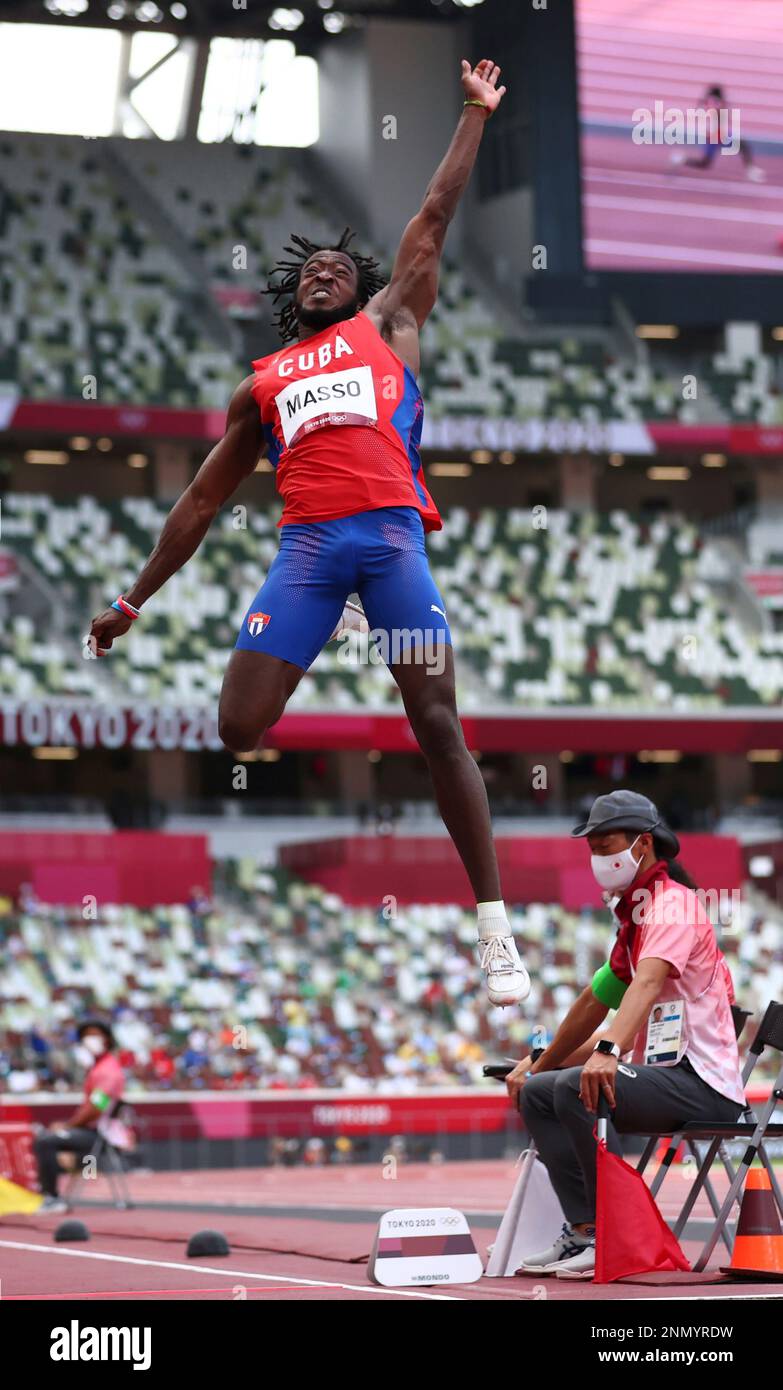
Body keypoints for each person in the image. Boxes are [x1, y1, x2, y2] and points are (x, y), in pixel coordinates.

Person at [88, 58, 528, 1009]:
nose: (328, 267)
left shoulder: (391, 320)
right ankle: (319, 632)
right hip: (311, 555)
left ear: (364, 284)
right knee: (237, 724)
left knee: (437, 720)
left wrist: (472, 114)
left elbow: (437, 211)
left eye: (342, 262)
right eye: (312, 268)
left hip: (393, 548)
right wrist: (131, 600)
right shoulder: (263, 382)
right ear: (294, 294)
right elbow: (200, 503)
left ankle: (494, 928)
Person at [505, 790, 746, 1280]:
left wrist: (609, 1051)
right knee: (537, 1092)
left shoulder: (674, 907)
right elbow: (593, 1004)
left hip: (704, 1086)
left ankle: (615, 1233)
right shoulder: (634, 920)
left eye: (606, 845)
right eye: (590, 849)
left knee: (577, 1086)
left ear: (643, 844)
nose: (598, 859)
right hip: (660, 1076)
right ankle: (586, 1229)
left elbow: (650, 981)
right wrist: (539, 1062)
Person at [33, 1019, 125, 1213]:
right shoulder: (97, 1067)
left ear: (107, 1039)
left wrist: (69, 1126)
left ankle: (52, 1198)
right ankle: (55, 1189)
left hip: (98, 1134)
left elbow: (96, 1108)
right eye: (86, 1036)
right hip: (90, 1131)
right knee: (48, 1137)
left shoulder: (108, 1070)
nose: (90, 1040)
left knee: (45, 1141)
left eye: (95, 1035)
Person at [670, 85, 765, 181]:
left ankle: (681, 159)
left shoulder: (709, 103)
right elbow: (718, 114)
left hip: (714, 134)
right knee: (744, 145)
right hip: (719, 133)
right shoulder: (717, 103)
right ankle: (751, 171)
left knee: (705, 163)